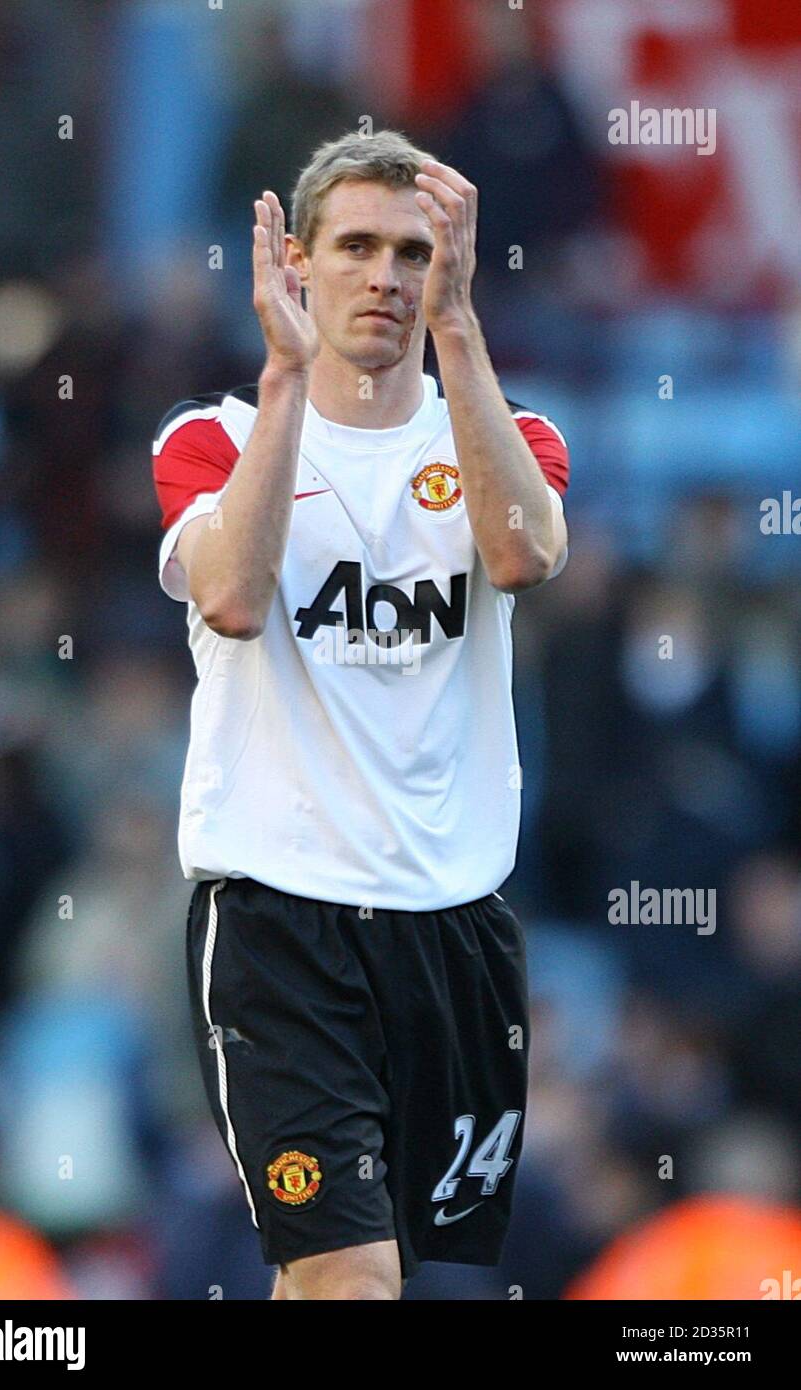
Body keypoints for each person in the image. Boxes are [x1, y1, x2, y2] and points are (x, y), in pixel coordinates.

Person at [151, 130, 570, 1301]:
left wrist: (460, 331)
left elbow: (524, 553)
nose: (387, 276)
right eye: (358, 248)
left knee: (343, 1278)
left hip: (452, 919)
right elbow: (232, 597)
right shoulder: (214, 439)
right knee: (352, 1278)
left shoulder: (512, 436)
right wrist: (286, 375)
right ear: (296, 262)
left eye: (414, 253)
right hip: (281, 920)